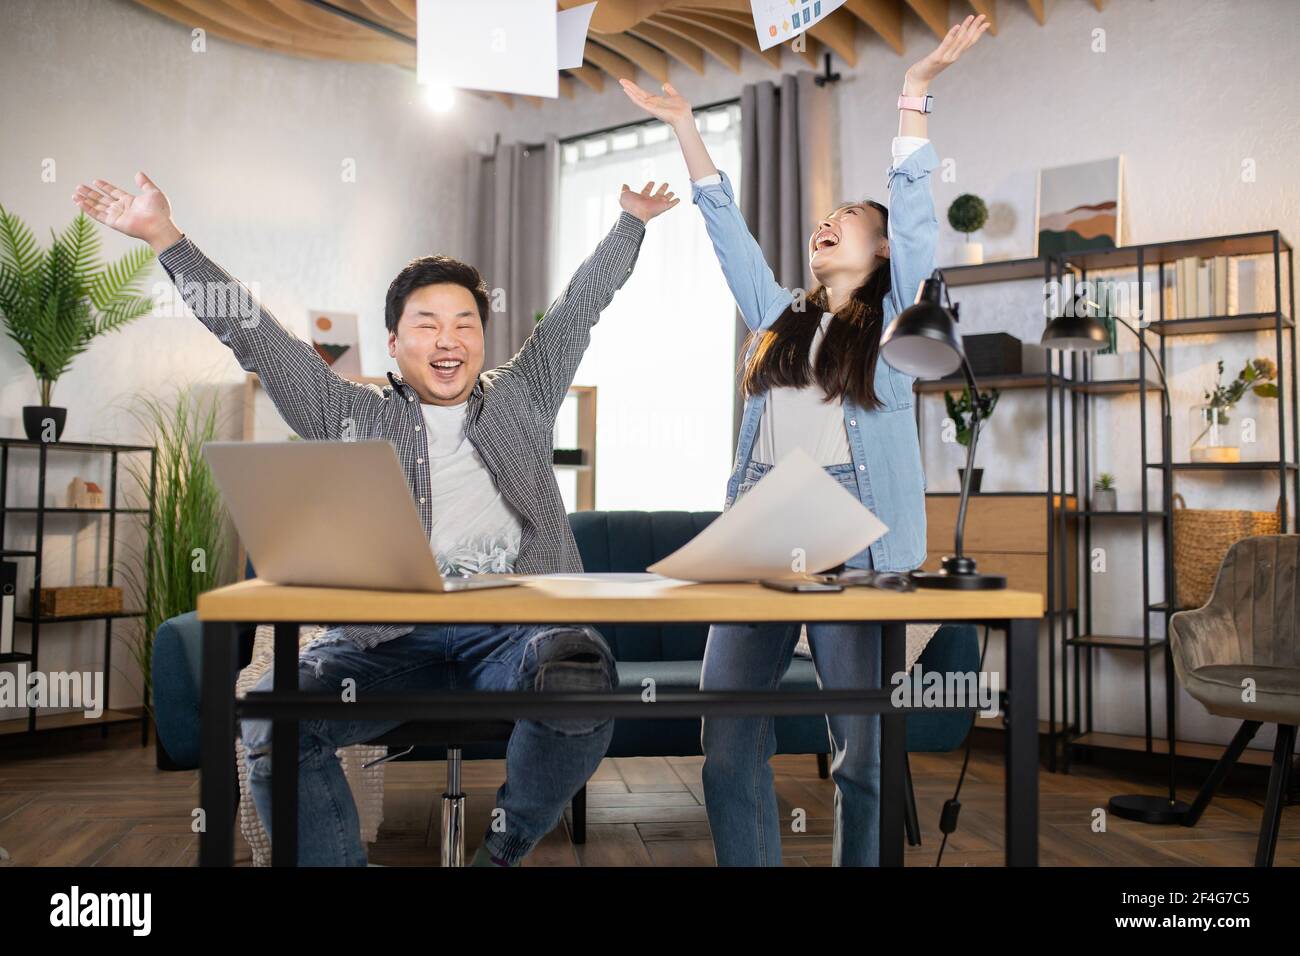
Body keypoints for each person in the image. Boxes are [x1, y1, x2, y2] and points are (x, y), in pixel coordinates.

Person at [72, 172, 679, 866]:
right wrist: (164, 237)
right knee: (273, 714)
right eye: (426, 324)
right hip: (389, 645)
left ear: (483, 338)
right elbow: (254, 337)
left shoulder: (525, 396)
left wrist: (630, 221)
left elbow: (577, 309)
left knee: (578, 672)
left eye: (464, 324)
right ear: (394, 342)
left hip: (516, 636)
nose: (447, 339)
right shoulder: (347, 412)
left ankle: (504, 850)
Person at [621, 13, 990, 866]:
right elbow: (728, 235)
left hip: (856, 537)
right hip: (761, 530)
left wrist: (914, 93)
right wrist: (683, 125)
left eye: (847, 217)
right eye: (821, 214)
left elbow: (916, 217)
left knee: (861, 750)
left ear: (881, 246)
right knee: (727, 735)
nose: (826, 220)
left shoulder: (897, 331)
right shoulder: (778, 319)